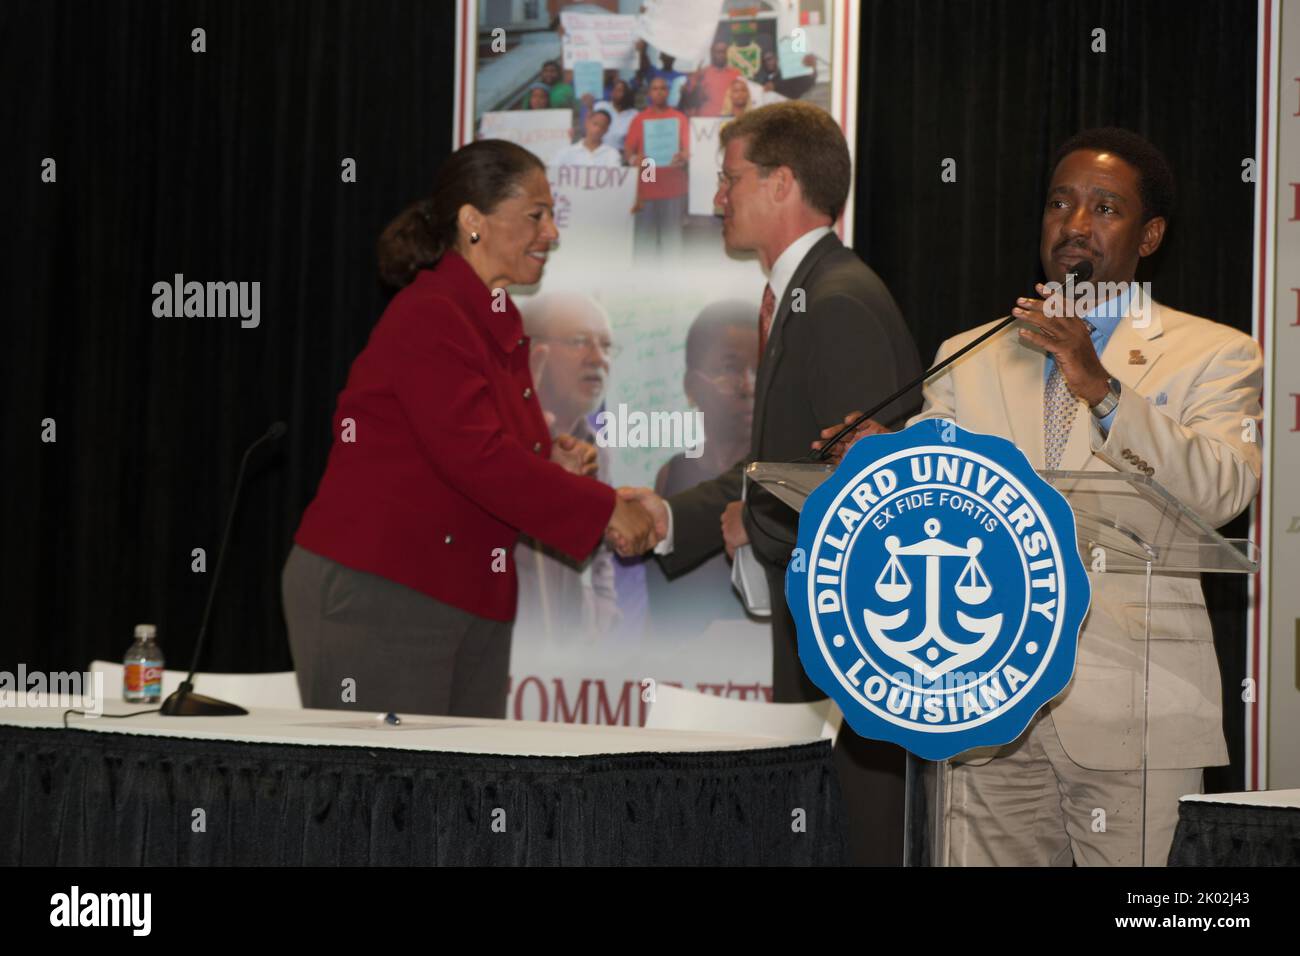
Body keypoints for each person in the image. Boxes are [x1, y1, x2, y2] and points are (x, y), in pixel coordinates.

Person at [815, 128, 1263, 866]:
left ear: (1149, 236)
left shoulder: (1213, 353)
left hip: (1133, 711)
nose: (1075, 224)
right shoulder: (976, 352)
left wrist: (1103, 389)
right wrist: (880, 455)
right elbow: (938, 490)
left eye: (1105, 208)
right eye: (1060, 202)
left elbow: (1224, 489)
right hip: (986, 699)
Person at [617, 102, 923, 865]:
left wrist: (753, 524)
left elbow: (874, 495)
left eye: (730, 178)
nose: (718, 196)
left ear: (783, 183)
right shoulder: (807, 292)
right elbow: (778, 465)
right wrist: (665, 514)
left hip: (861, 643)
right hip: (821, 634)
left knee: (862, 831)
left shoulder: (838, 301)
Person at [282, 140, 658, 718]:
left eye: (551, 216)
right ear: (473, 222)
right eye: (536, 215)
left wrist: (554, 465)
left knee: (455, 797)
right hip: (382, 588)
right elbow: (478, 460)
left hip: (466, 592)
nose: (552, 232)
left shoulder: (495, 316)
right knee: (389, 801)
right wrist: (604, 507)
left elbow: (499, 454)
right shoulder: (431, 314)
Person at [514, 292, 622, 640]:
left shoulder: (595, 450)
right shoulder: (499, 438)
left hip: (566, 670)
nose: (597, 359)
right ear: (533, 352)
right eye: (579, 342)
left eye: (606, 346)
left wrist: (602, 612)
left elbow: (602, 556)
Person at [646, 301, 759, 635]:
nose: (748, 386)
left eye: (759, 370)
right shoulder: (673, 476)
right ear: (691, 387)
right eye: (730, 369)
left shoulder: (782, 476)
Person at [623, 76, 689, 258]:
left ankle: (672, 282)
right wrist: (633, 159)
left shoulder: (679, 118)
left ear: (668, 92)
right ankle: (644, 283)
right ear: (649, 93)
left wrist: (683, 156)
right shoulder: (640, 119)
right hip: (648, 176)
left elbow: (688, 150)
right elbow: (628, 150)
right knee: (645, 241)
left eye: (662, 88)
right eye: (654, 88)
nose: (659, 92)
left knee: (672, 241)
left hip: (673, 181)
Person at [682, 40, 742, 116]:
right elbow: (688, 97)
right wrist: (694, 78)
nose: (721, 55)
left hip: (729, 118)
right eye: (718, 52)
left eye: (724, 52)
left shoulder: (736, 74)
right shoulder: (702, 73)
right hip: (706, 118)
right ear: (712, 53)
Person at [553, 110, 621, 168]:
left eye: (602, 126)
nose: (597, 129)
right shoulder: (565, 152)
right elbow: (552, 174)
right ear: (587, 123)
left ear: (606, 130)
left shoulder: (612, 154)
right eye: (595, 124)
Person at [591, 79, 638, 154]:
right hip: (598, 151)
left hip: (620, 154)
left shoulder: (634, 114)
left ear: (627, 94)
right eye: (614, 89)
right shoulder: (600, 106)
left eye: (620, 90)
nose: (615, 93)